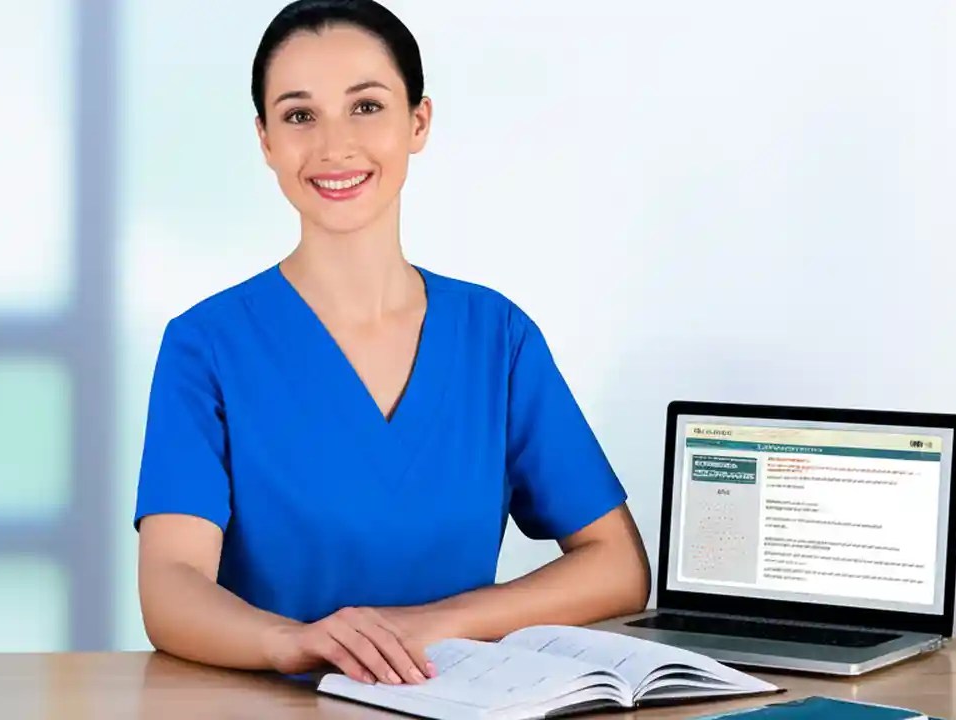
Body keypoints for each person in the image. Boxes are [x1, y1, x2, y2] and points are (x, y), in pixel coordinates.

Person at [134, 0, 650, 687]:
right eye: (298, 115)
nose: (333, 146)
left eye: (366, 107)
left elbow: (617, 565)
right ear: (265, 140)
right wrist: (292, 643)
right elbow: (170, 585)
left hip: (454, 701)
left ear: (419, 122)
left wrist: (432, 625)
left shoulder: (496, 337)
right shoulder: (206, 347)